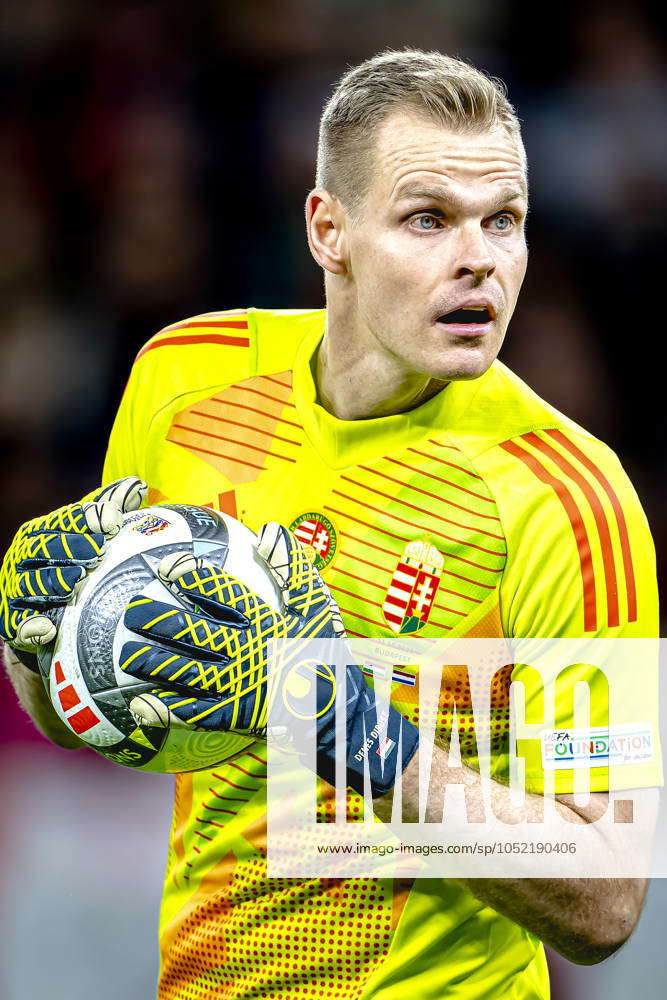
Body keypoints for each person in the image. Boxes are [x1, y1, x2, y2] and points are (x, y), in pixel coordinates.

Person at [0, 50, 660, 999]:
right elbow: (102, 715)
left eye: (502, 221)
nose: (477, 257)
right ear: (328, 230)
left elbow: (606, 903)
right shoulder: (183, 378)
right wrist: (37, 644)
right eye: (428, 218)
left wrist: (362, 740)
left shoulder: (570, 497)